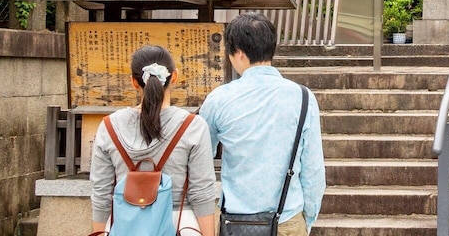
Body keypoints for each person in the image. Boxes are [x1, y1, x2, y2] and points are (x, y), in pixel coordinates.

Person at [200, 14, 325, 235]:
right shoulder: (303, 97)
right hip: (287, 219)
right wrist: (307, 219)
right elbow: (313, 169)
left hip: (235, 223)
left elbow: (201, 162)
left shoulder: (218, 99)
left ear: (238, 52)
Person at [91, 45, 219, 235]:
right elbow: (201, 193)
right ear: (174, 76)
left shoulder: (109, 126)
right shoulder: (192, 126)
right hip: (180, 224)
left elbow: (101, 193)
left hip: (126, 224)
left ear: (134, 82)